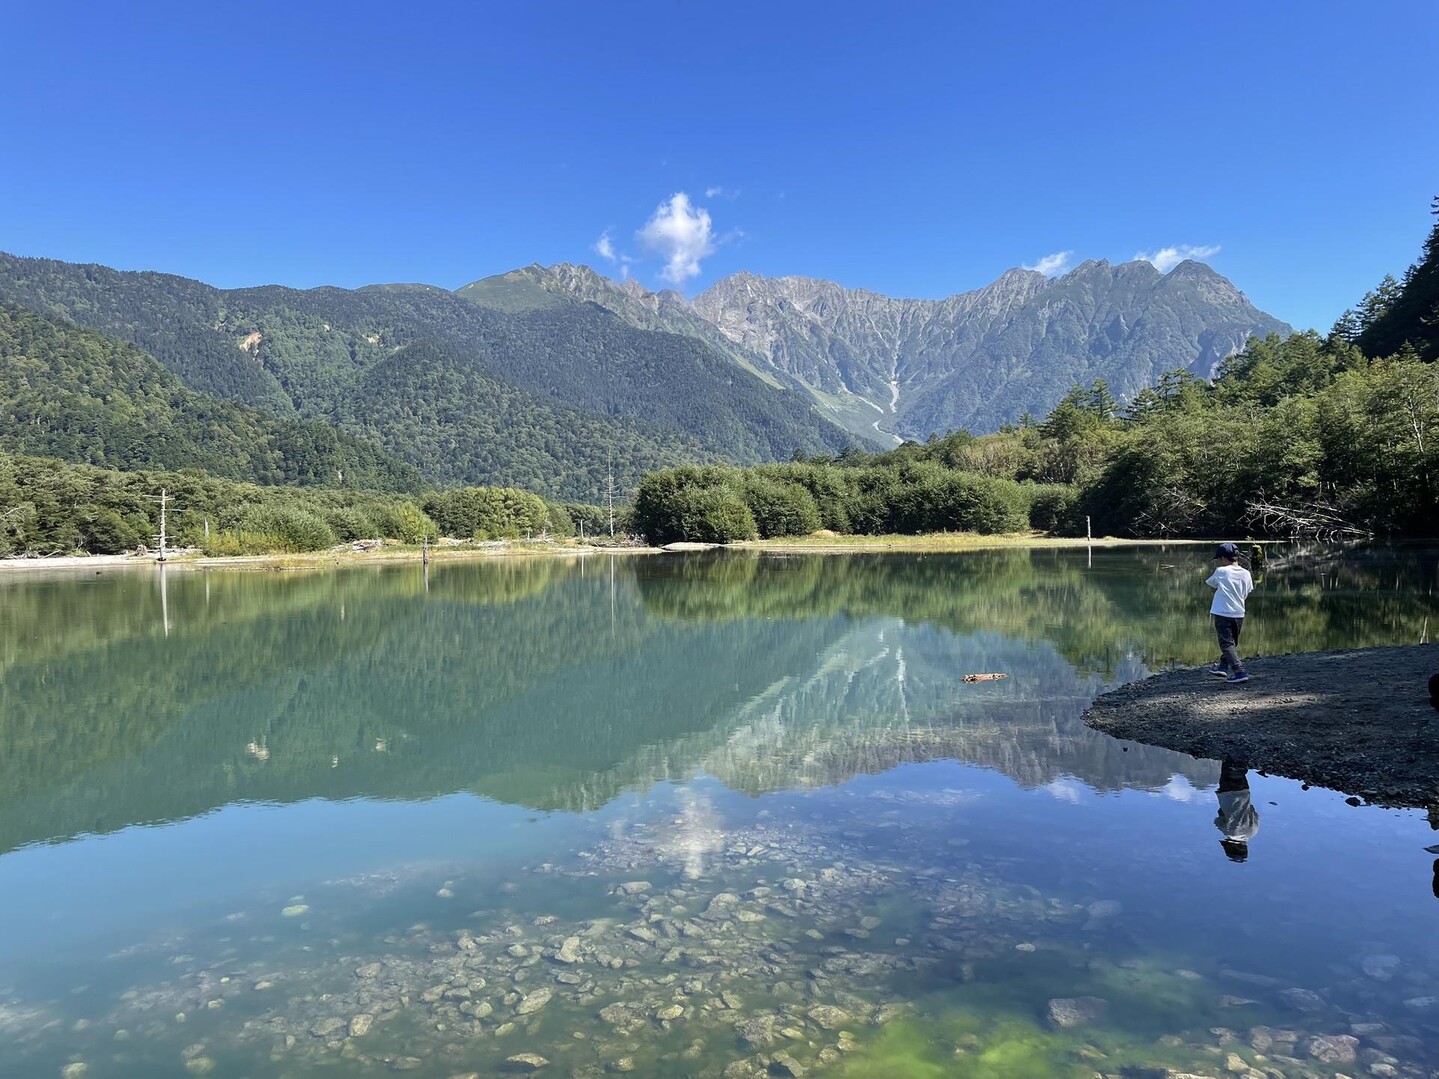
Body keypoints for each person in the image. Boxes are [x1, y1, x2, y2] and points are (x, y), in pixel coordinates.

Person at [1205, 542, 1254, 684]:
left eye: (1219, 559)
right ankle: (1223, 667)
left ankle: (1239, 671)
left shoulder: (1221, 571)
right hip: (1239, 612)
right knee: (1232, 642)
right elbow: (1247, 591)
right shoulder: (1246, 573)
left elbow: (1212, 585)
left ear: (1223, 558)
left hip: (1222, 612)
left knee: (1226, 644)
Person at [1215, 757, 1259, 862]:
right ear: (1231, 847)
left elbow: (1253, 811)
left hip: (1244, 793)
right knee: (1227, 771)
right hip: (1226, 794)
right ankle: (1229, 752)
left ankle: (1240, 757)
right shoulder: (1228, 832)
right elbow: (1219, 818)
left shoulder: (1253, 831)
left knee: (1240, 774)